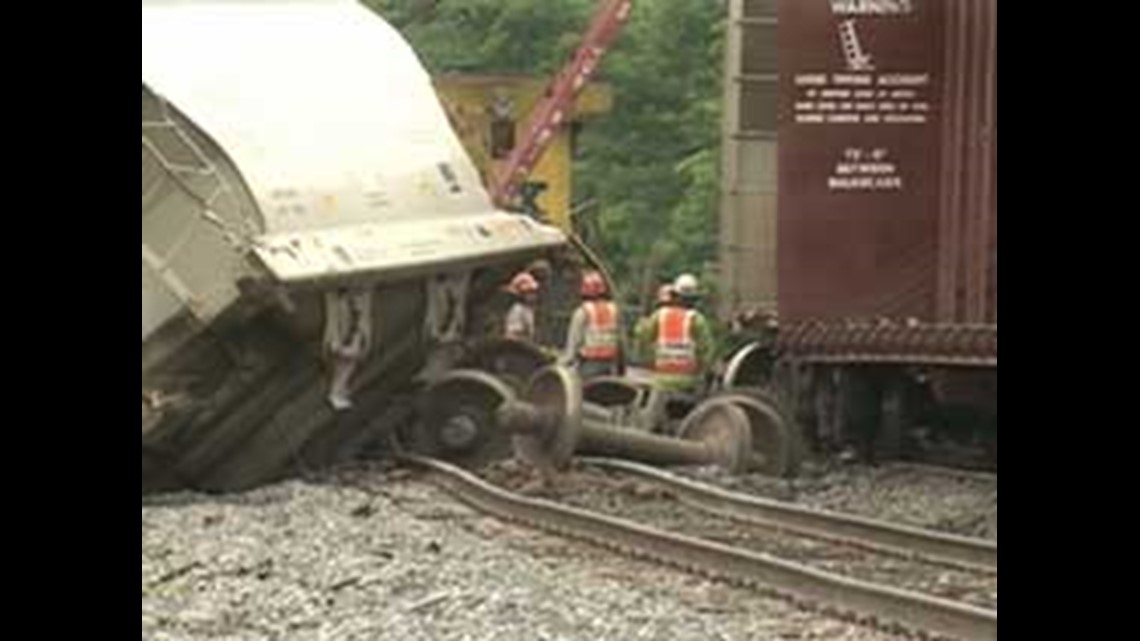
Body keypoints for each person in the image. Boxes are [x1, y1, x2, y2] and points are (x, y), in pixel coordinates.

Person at [634, 273, 716, 395]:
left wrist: (649, 361)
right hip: (689, 382)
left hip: (661, 381)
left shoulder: (659, 316)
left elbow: (642, 336)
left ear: (674, 295)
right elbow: (706, 352)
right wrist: (702, 373)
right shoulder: (697, 319)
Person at [560, 270, 622, 379]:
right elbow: (621, 342)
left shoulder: (582, 312)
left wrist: (560, 365)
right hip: (610, 366)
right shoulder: (614, 310)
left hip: (588, 367)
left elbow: (573, 346)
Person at [504, 271, 540, 342]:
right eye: (529, 293)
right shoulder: (518, 310)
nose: (533, 296)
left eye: (533, 293)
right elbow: (514, 335)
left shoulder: (529, 310)